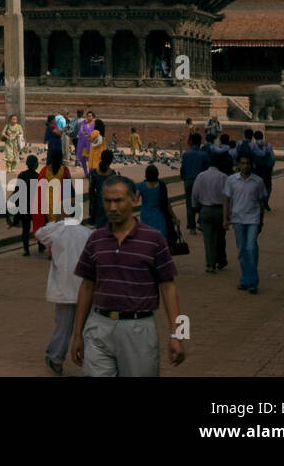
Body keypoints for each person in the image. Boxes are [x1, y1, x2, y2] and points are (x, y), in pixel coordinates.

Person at [71, 176, 185, 376]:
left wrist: (179, 335)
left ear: (135, 199)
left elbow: (170, 288)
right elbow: (87, 286)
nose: (113, 207)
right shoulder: (96, 239)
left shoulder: (154, 240)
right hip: (99, 326)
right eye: (107, 201)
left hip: (138, 330)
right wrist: (77, 334)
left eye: (119, 200)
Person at [36, 210, 92, 375]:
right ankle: (91, 360)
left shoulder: (57, 230)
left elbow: (40, 234)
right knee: (88, 326)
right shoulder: (88, 233)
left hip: (64, 286)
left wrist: (56, 221)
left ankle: (56, 357)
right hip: (85, 287)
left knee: (63, 326)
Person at [224, 153, 267, 292]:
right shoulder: (231, 180)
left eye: (247, 163)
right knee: (242, 250)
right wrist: (225, 218)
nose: (245, 166)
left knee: (250, 248)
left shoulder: (258, 181)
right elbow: (227, 199)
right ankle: (245, 279)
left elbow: (261, 202)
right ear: (238, 165)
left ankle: (253, 282)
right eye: (242, 163)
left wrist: (261, 220)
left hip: (253, 218)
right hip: (237, 218)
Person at [191, 152, 231, 273]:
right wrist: (228, 215)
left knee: (208, 239)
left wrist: (196, 208)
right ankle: (221, 260)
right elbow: (228, 197)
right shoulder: (224, 177)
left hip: (206, 210)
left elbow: (195, 194)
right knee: (220, 237)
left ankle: (210, 264)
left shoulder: (201, 176)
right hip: (220, 210)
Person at [179, 132, 210, 235]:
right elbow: (206, 170)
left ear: (191, 142)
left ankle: (191, 227)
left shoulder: (186, 154)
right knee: (202, 202)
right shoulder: (204, 155)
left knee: (189, 203)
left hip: (188, 180)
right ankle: (200, 222)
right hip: (200, 181)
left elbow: (182, 169)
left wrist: (184, 178)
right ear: (200, 142)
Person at [135, 164, 175, 239]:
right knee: (160, 239)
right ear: (157, 174)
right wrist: (174, 217)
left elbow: (135, 200)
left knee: (147, 237)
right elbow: (167, 203)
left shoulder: (141, 186)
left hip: (146, 215)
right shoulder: (161, 185)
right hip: (159, 216)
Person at [17, 155, 40, 254]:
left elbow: (17, 191)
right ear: (36, 165)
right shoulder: (38, 176)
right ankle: (41, 245)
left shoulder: (22, 175)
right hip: (35, 206)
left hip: (24, 205)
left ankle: (26, 249)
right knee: (38, 227)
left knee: (25, 229)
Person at [88, 149, 114, 229]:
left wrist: (91, 210)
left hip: (99, 206)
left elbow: (91, 192)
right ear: (111, 161)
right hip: (112, 207)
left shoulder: (94, 174)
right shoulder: (115, 174)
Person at [249, 129, 274, 210]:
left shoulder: (253, 145)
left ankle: (257, 203)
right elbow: (273, 157)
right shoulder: (268, 145)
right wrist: (270, 166)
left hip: (257, 169)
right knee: (268, 186)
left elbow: (257, 155)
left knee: (256, 186)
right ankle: (265, 202)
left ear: (254, 137)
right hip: (266, 168)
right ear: (262, 137)